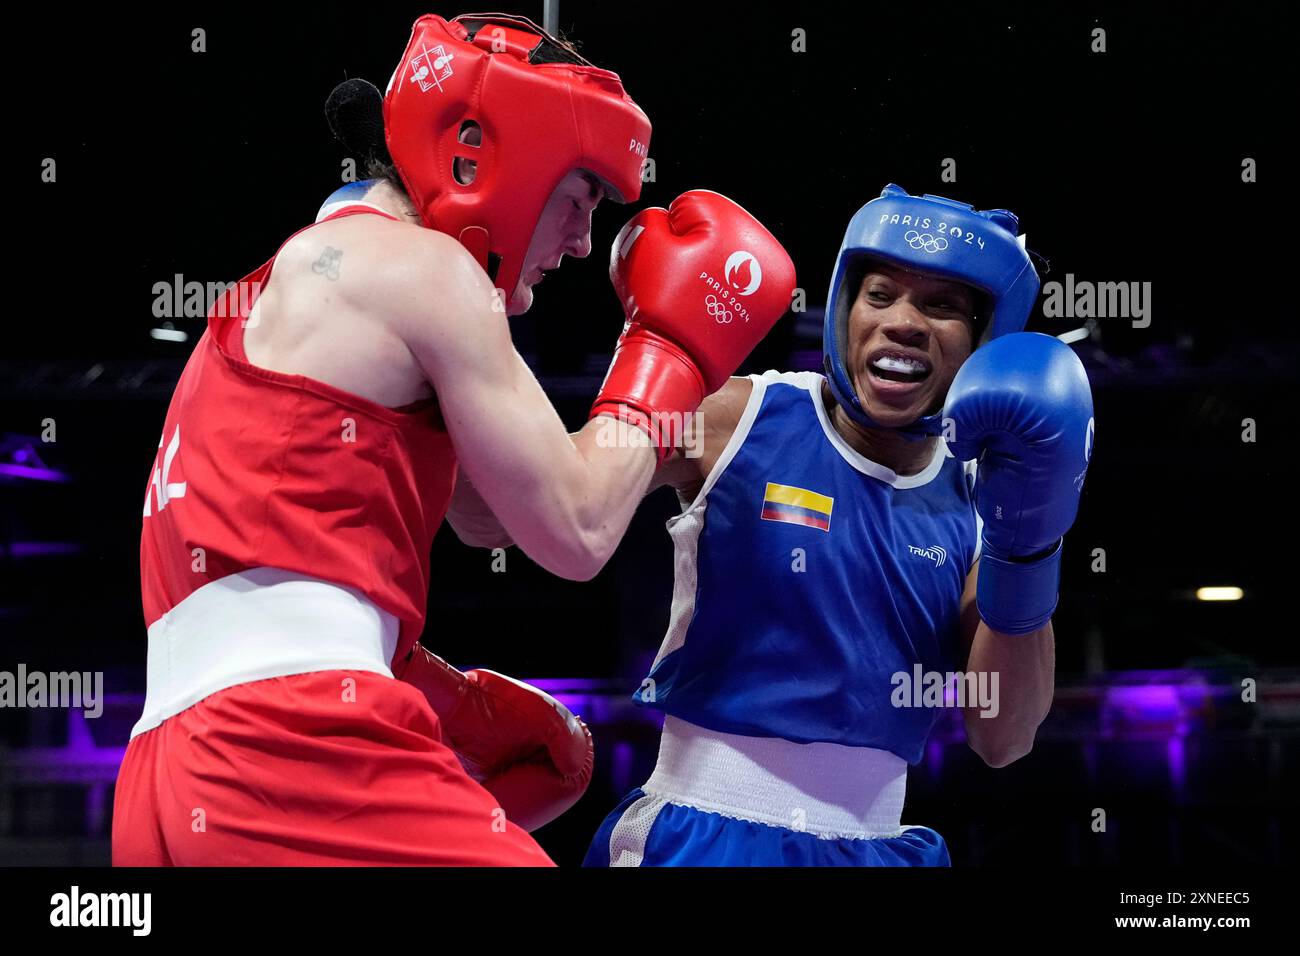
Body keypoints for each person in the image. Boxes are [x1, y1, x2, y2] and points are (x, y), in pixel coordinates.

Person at [112, 12, 794, 866]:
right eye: (578, 198)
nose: (583, 242)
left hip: (164, 773)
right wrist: (669, 351)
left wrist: (433, 692)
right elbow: (578, 529)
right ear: (490, 159)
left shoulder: (298, 283)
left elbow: (487, 516)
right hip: (293, 740)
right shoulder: (426, 272)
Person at [578, 184, 1096, 865]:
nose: (904, 322)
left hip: (882, 847)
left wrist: (1028, 544)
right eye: (881, 294)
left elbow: (1004, 736)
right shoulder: (740, 417)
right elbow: (556, 504)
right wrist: (648, 360)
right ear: (845, 309)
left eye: (941, 306)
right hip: (704, 833)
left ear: (984, 337)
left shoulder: (983, 499)